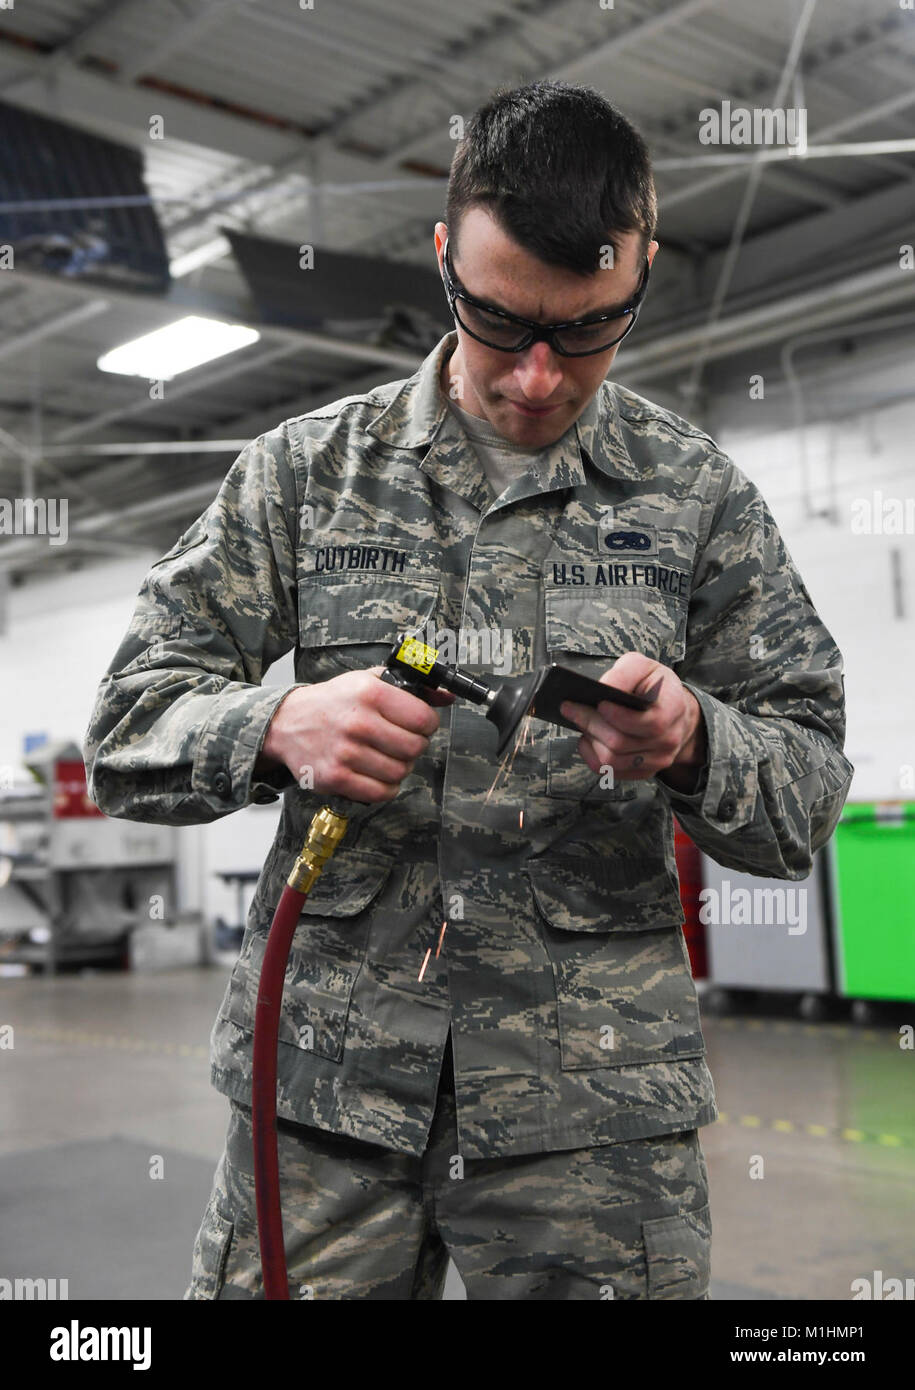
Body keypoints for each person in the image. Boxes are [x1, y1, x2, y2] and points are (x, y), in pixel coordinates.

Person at [84, 80, 853, 1300]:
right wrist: (275, 725)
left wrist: (699, 739)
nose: (540, 378)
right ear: (443, 258)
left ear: (642, 278)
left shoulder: (699, 499)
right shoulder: (302, 477)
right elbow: (127, 727)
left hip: (592, 1123)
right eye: (499, 324)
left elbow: (808, 788)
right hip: (327, 1105)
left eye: (590, 331)